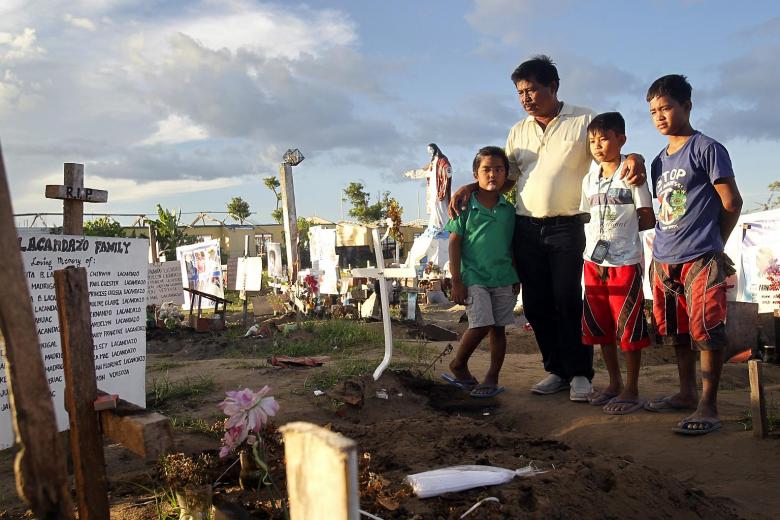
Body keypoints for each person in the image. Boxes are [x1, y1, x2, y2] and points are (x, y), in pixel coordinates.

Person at [449, 55, 647, 401]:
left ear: (553, 87)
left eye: (532, 89)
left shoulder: (582, 119)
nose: (526, 98)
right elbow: (506, 180)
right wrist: (471, 187)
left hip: (568, 226)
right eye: (520, 92)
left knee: (567, 301)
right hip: (525, 227)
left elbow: (608, 150)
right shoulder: (517, 131)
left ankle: (580, 374)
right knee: (537, 305)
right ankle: (556, 370)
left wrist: (635, 158)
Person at [643, 74, 742, 435]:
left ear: (687, 106)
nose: (659, 116)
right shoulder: (657, 162)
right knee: (677, 333)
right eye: (653, 111)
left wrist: (717, 243)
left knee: (707, 331)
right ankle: (685, 393)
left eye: (666, 107)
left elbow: (731, 202)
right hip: (664, 258)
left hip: (700, 256)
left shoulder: (707, 149)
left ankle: (708, 404)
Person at [579, 112, 655, 414]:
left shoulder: (632, 173)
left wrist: (623, 234)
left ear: (621, 139)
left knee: (629, 326)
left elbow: (647, 216)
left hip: (625, 262)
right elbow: (587, 215)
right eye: (593, 141)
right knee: (601, 327)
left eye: (605, 138)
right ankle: (613, 382)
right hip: (593, 262)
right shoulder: (589, 178)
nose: (598, 146)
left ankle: (632, 388)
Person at [441, 146, 519, 398]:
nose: (493, 175)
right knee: (481, 323)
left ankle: (492, 376)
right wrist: (456, 280)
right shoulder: (465, 206)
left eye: (499, 170)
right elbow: (454, 242)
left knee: (498, 328)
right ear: (476, 174)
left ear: (507, 174)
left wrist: (516, 275)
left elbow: (512, 245)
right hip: (474, 277)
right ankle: (458, 363)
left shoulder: (510, 210)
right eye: (486, 169)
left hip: (504, 277)